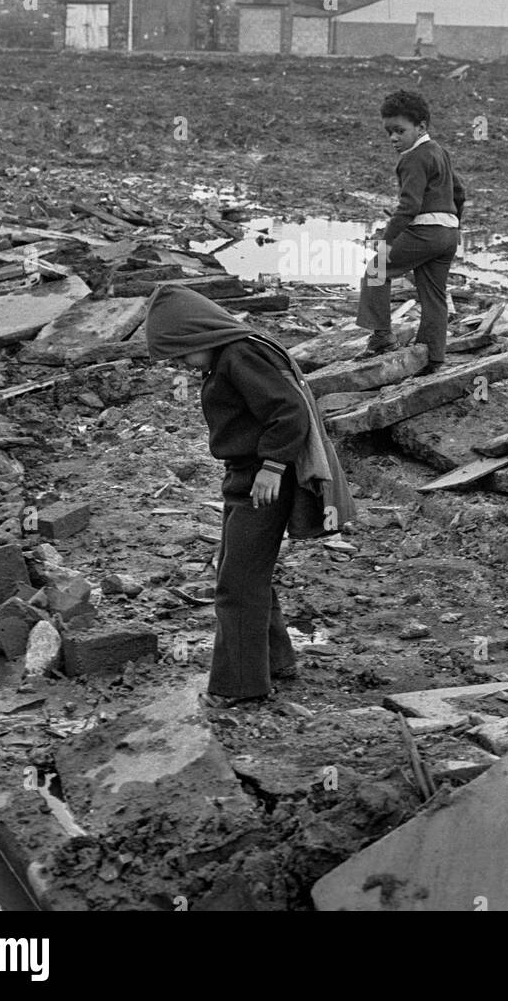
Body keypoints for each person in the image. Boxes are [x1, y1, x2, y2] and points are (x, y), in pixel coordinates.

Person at [145, 285, 355, 705]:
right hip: (245, 477)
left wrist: (272, 467)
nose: (183, 365)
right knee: (242, 571)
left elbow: (288, 412)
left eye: (182, 353)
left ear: (198, 334)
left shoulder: (241, 355)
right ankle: (275, 660)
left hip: (263, 483)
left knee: (236, 586)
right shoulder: (228, 357)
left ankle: (239, 687)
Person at [356, 88, 466, 371]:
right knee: (433, 294)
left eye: (399, 131)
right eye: (388, 132)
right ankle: (433, 358)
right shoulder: (440, 152)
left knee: (376, 271)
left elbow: (409, 206)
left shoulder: (413, 158)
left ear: (421, 127)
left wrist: (388, 240)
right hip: (448, 234)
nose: (393, 138)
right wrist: (453, 225)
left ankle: (382, 337)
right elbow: (460, 192)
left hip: (425, 232)